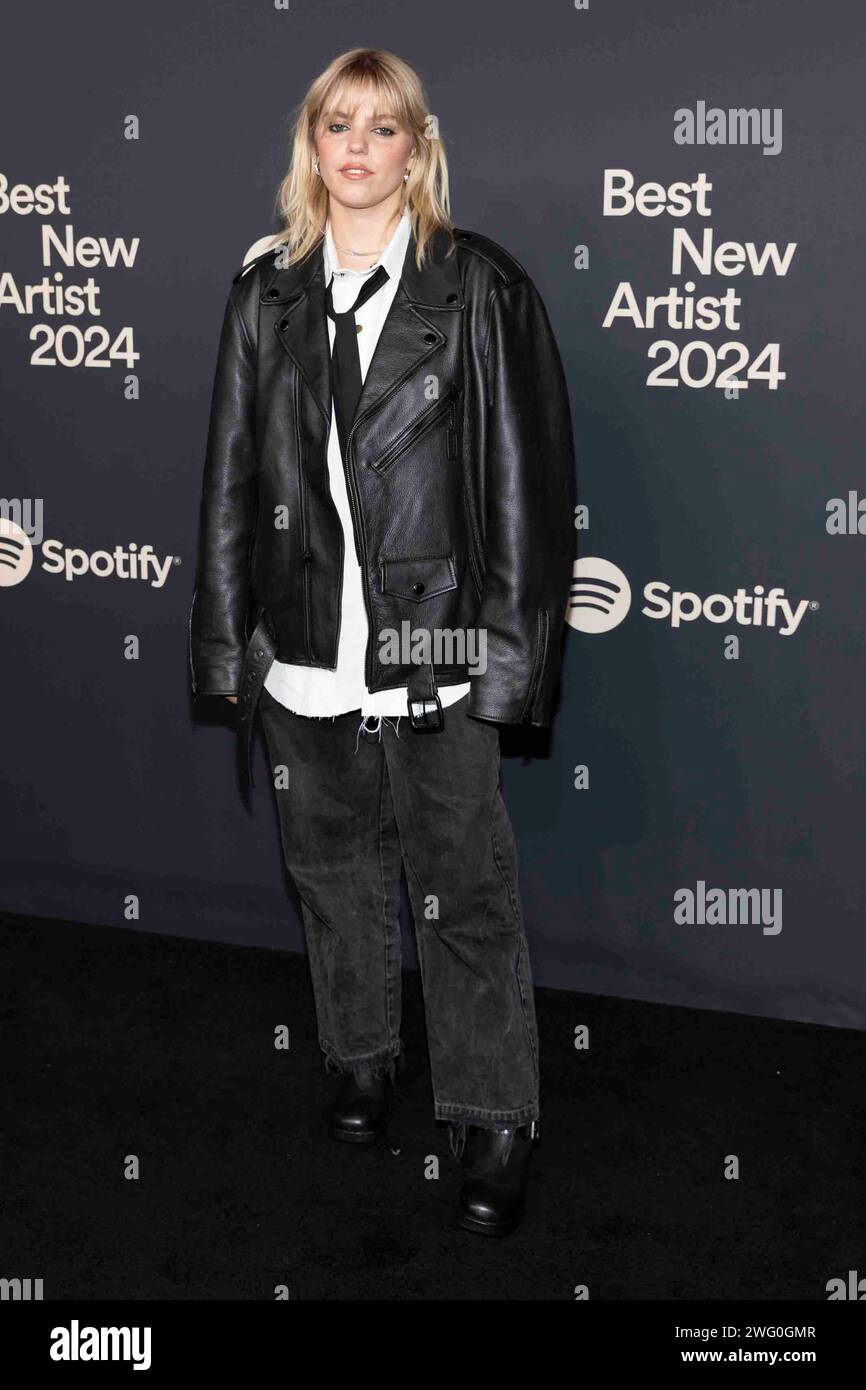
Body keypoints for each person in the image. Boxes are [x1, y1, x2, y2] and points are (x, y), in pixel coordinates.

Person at [188, 46, 576, 1238]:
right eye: (336, 127)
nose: (357, 148)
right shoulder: (266, 293)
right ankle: (359, 1056)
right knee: (335, 874)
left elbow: (523, 490)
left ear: (418, 147)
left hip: (436, 651)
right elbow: (230, 483)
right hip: (303, 647)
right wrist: (226, 641)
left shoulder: (479, 288)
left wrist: (508, 661)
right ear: (313, 147)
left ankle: (491, 1113)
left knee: (463, 892)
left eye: (382, 128)